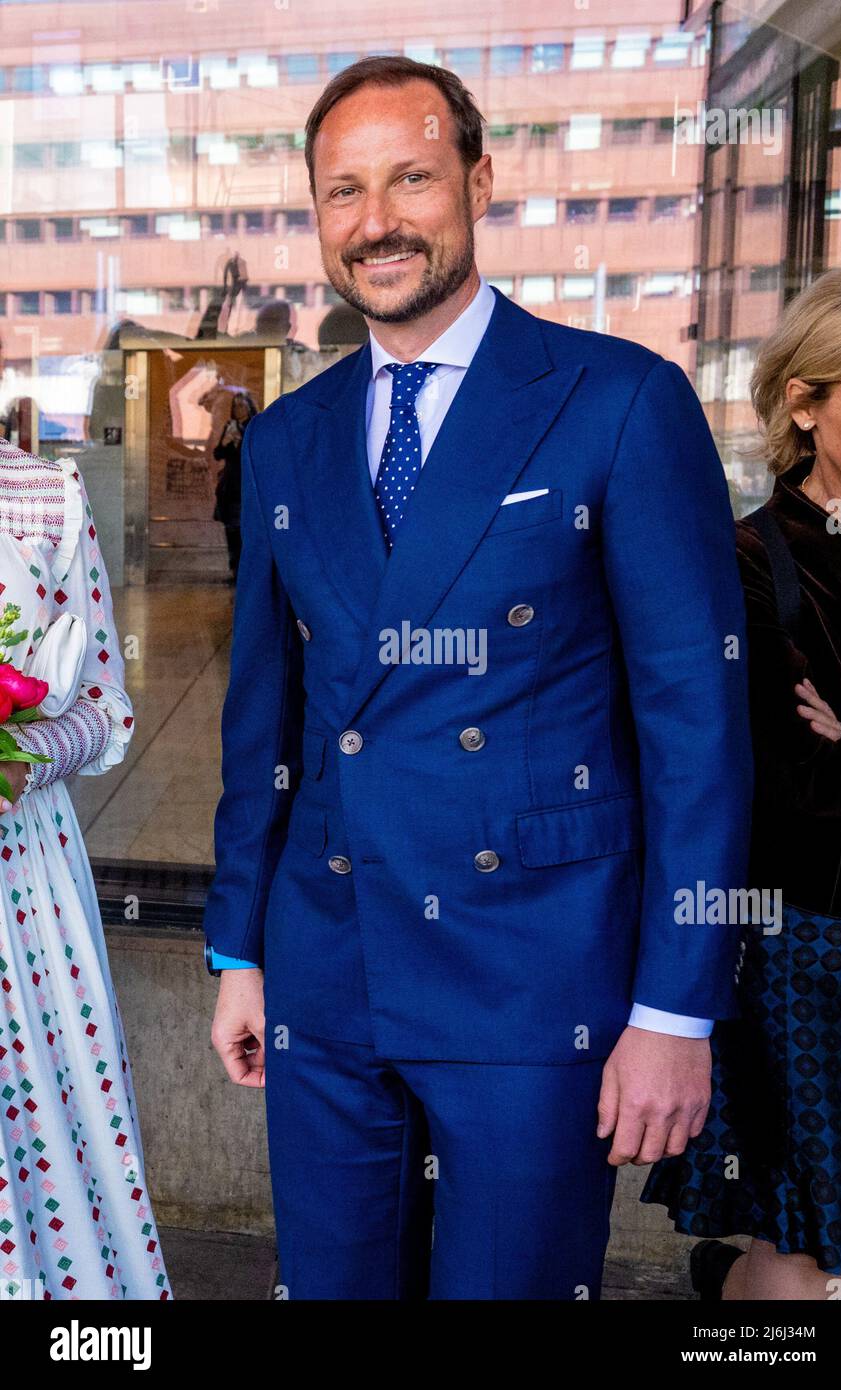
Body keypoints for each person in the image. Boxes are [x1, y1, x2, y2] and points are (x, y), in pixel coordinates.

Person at [203, 55, 753, 1301]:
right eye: (343, 192)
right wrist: (238, 944)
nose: (377, 220)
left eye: (410, 176)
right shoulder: (289, 435)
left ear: (479, 181)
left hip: (536, 975)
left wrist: (676, 1010)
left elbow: (696, 728)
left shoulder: (616, 401)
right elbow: (263, 719)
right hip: (327, 967)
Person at [642, 261, 841, 1300]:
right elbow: (786, 784)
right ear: (802, 402)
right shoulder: (739, 563)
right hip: (807, 955)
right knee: (807, 1265)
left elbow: (836, 767)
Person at [0, 435, 171, 1300]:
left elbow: (107, 707)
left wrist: (24, 759)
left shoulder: (42, 493)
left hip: (17, 890)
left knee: (36, 1144)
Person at [212, 391, 257, 582]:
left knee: (244, 531)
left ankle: (246, 571)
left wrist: (240, 439)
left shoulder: (254, 427)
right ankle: (235, 569)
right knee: (231, 530)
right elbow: (218, 454)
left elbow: (253, 453)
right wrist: (226, 441)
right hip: (230, 487)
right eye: (235, 405)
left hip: (246, 486)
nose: (238, 409)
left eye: (241, 405)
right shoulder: (229, 427)